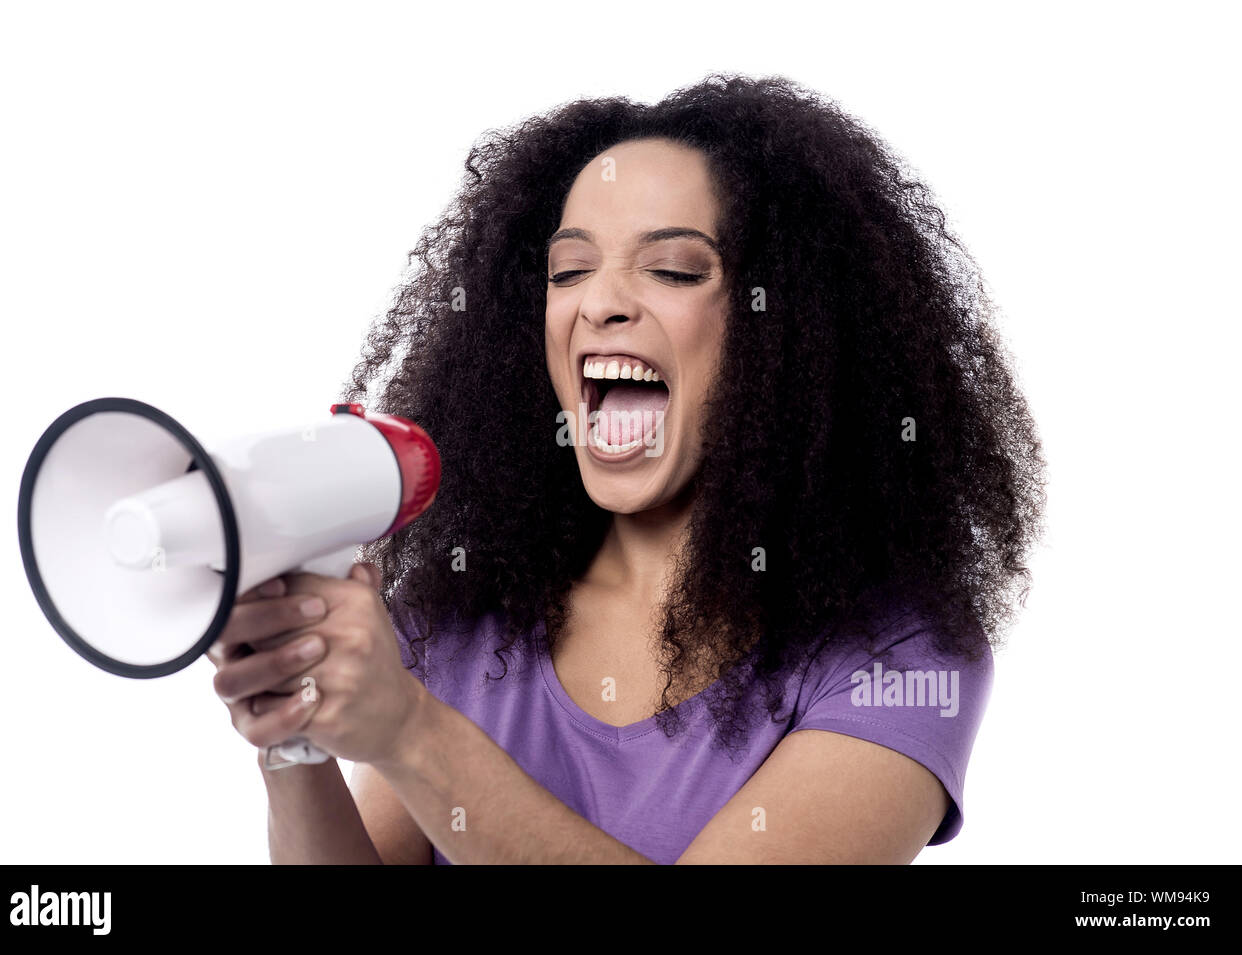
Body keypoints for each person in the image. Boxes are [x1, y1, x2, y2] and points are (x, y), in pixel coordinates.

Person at [206, 73, 1046, 864]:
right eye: (568, 271)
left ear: (789, 332)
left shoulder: (901, 655)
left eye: (674, 269)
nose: (598, 301)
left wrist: (411, 731)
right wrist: (294, 733)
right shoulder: (464, 624)